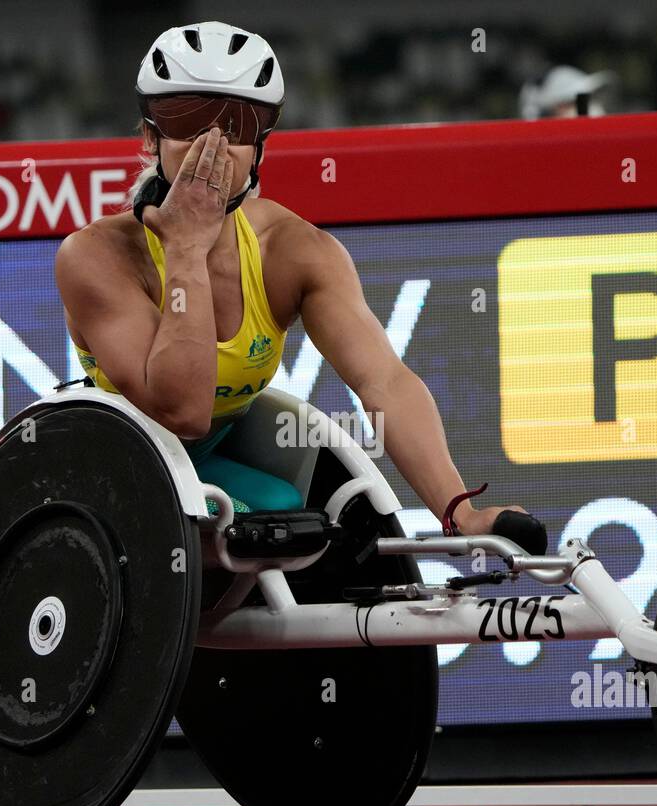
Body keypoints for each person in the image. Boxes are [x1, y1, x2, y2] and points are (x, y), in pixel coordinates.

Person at [56, 20, 534, 539]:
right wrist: (187, 248)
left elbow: (384, 382)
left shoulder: (294, 250)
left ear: (261, 143)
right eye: (188, 119)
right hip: (110, 466)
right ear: (151, 135)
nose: (211, 145)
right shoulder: (94, 255)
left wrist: (459, 512)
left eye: (236, 125)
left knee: (307, 517)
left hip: (210, 459)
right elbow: (183, 412)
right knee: (271, 512)